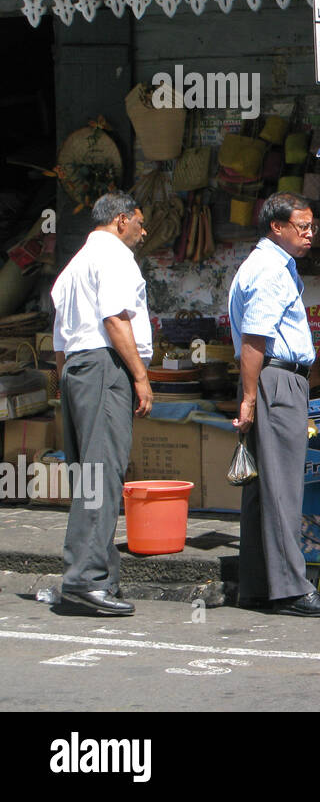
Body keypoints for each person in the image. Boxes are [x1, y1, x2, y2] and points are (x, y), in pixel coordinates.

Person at [230, 192, 320, 617]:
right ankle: (292, 589)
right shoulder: (270, 270)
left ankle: (259, 586)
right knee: (282, 489)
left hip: (276, 380)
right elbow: (255, 338)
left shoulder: (271, 266)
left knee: (264, 488)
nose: (310, 233)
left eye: (312, 226)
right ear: (277, 227)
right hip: (276, 380)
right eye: (302, 226)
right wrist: (251, 396)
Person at [50, 194, 154, 616]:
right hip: (103, 367)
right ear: (120, 220)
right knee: (103, 471)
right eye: (140, 224)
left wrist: (64, 386)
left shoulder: (74, 265)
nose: (144, 232)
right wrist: (141, 377)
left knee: (89, 474)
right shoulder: (114, 256)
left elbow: (59, 338)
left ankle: (96, 576)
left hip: (77, 368)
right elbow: (115, 319)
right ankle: (86, 580)